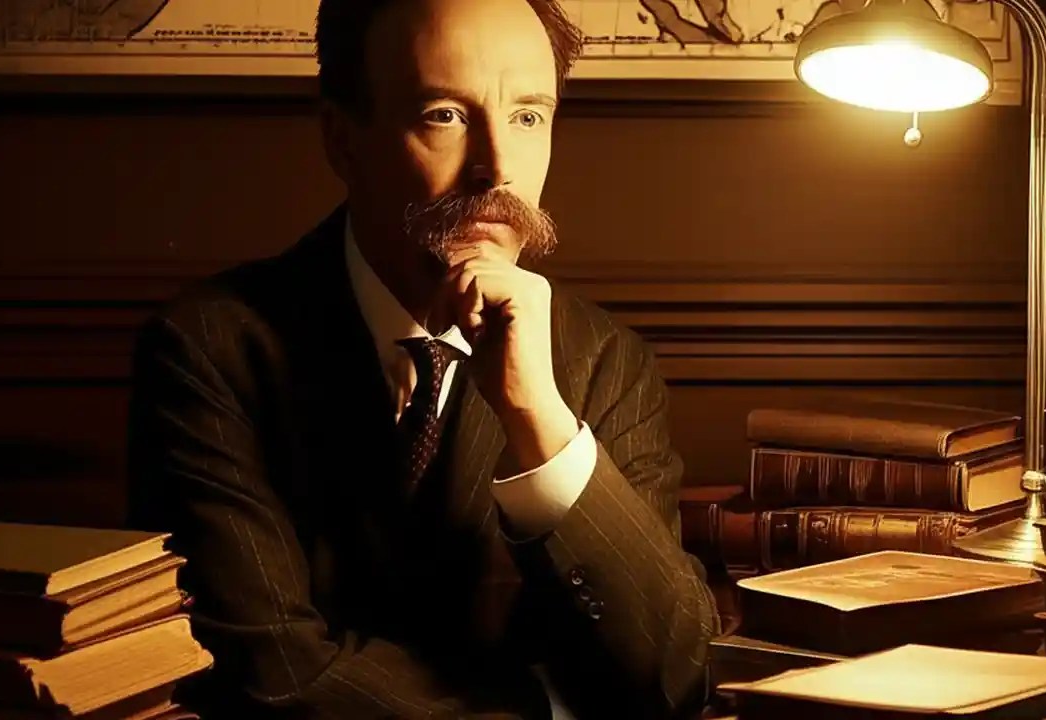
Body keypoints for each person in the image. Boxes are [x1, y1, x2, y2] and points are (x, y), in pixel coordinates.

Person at [124, 0, 719, 717]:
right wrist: (547, 710)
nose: (496, 169)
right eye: (445, 115)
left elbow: (674, 677)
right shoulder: (211, 349)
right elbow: (272, 673)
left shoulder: (605, 363)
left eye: (528, 115)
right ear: (343, 140)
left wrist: (539, 423)